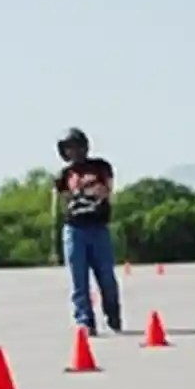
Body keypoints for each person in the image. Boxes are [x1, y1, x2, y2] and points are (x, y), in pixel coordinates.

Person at [52, 127, 122, 335]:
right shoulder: (64, 175)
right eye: (68, 149)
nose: (73, 152)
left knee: (106, 276)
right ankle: (85, 320)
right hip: (75, 229)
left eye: (76, 147)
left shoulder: (100, 167)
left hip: (98, 228)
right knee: (78, 279)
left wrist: (98, 201)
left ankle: (113, 313)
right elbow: (61, 204)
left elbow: (108, 190)